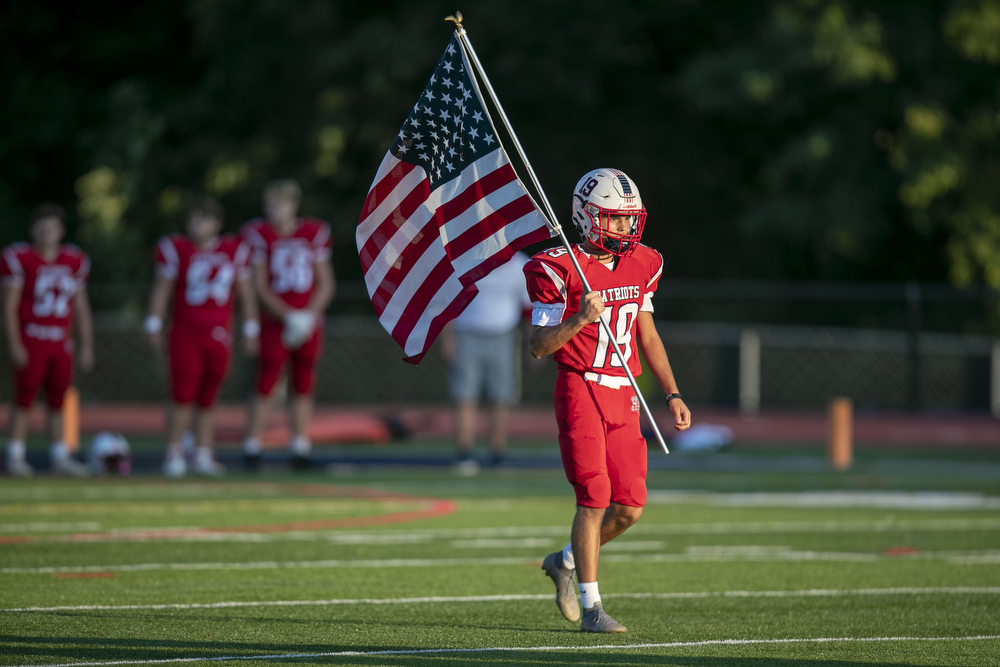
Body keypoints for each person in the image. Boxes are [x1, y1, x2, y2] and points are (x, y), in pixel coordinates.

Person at [524, 168, 691, 633]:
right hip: (580, 385)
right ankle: (593, 609)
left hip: (625, 392)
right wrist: (579, 318)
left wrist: (673, 392)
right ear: (586, 216)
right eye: (615, 220)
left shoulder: (645, 262)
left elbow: (647, 332)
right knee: (594, 498)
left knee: (630, 507)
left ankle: (565, 561)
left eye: (628, 219)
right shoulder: (557, 267)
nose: (625, 228)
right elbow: (538, 345)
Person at [145, 197, 259, 478]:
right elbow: (162, 290)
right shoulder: (177, 249)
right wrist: (153, 325)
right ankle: (174, 452)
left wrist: (251, 328)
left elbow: (245, 293)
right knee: (182, 393)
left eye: (205, 219)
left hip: (220, 332)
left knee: (209, 395)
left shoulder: (234, 250)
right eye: (195, 218)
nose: (199, 225)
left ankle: (203, 453)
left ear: (217, 224)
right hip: (186, 331)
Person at [240, 179, 335, 468]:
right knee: (267, 379)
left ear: (293, 204)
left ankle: (300, 446)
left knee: (304, 381)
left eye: (279, 203)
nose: (274, 209)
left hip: (307, 320)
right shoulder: (259, 234)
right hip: (275, 320)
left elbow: (326, 284)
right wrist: (288, 316)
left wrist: (307, 316)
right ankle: (253, 446)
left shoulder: (314, 232)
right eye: (270, 203)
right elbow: (259, 285)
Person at [1, 203, 94, 477]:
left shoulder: (74, 260)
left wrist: (87, 344)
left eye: (52, 228)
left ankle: (60, 456)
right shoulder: (21, 258)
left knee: (58, 398)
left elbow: (81, 307)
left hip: (60, 341)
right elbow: (8, 307)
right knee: (24, 398)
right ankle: (15, 455)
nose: (46, 233)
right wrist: (15, 343)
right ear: (32, 231)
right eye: (41, 228)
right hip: (32, 338)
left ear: (61, 231)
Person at [440, 251, 531, 469]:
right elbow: (448, 303)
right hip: (466, 334)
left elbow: (528, 308)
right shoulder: (465, 259)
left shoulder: (520, 265)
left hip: (503, 335)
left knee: (501, 397)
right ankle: (464, 451)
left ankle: (497, 452)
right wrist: (447, 338)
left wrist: (532, 343)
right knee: (465, 396)